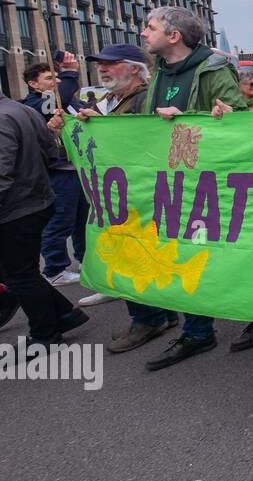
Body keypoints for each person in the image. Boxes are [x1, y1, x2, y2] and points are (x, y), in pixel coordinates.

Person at [138, 6, 253, 370]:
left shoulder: (212, 69)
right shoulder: (160, 71)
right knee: (185, 254)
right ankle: (197, 331)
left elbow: (238, 121)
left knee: (233, 250)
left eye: (150, 27)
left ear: (173, 36)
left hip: (216, 181)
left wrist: (189, 120)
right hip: (176, 181)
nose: (144, 33)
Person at [51, 45, 161, 315]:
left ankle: (149, 318)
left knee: (140, 259)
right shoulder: (104, 102)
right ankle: (144, 312)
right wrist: (64, 129)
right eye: (99, 63)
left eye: (110, 63)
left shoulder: (146, 99)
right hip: (114, 195)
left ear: (135, 68)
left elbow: (149, 143)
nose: (102, 68)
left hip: (139, 194)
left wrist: (102, 128)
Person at [0, 89, 89, 348]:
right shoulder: (23, 110)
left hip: (15, 210)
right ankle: (63, 313)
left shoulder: (6, 117)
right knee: (18, 272)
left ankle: (45, 334)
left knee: (20, 276)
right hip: (34, 200)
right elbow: (52, 151)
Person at [21, 56, 86, 288]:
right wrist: (69, 73)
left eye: (57, 77)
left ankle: (84, 259)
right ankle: (54, 269)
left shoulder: (66, 102)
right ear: (34, 85)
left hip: (76, 168)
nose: (56, 82)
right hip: (58, 171)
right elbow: (61, 95)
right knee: (61, 221)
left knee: (82, 218)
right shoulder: (35, 104)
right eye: (49, 78)